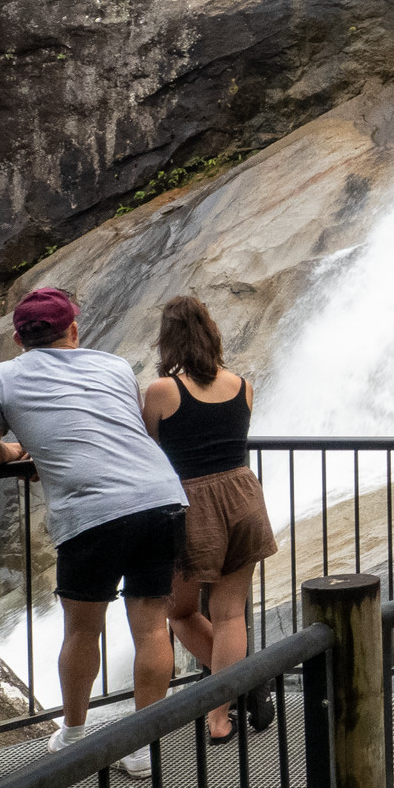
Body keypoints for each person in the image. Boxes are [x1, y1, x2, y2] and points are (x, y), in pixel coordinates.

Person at [0, 287, 186, 778]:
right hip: (160, 495)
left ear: (20, 339)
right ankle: (142, 745)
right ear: (74, 331)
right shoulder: (114, 366)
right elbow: (116, 429)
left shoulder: (3, 377)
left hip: (92, 510)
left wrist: (18, 453)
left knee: (83, 628)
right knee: (150, 625)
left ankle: (76, 734)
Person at [141, 296, 280, 744]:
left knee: (179, 613)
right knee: (228, 616)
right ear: (211, 333)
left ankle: (229, 696)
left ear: (169, 340)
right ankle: (229, 697)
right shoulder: (243, 385)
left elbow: (149, 450)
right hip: (243, 496)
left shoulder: (163, 392)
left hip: (191, 503)